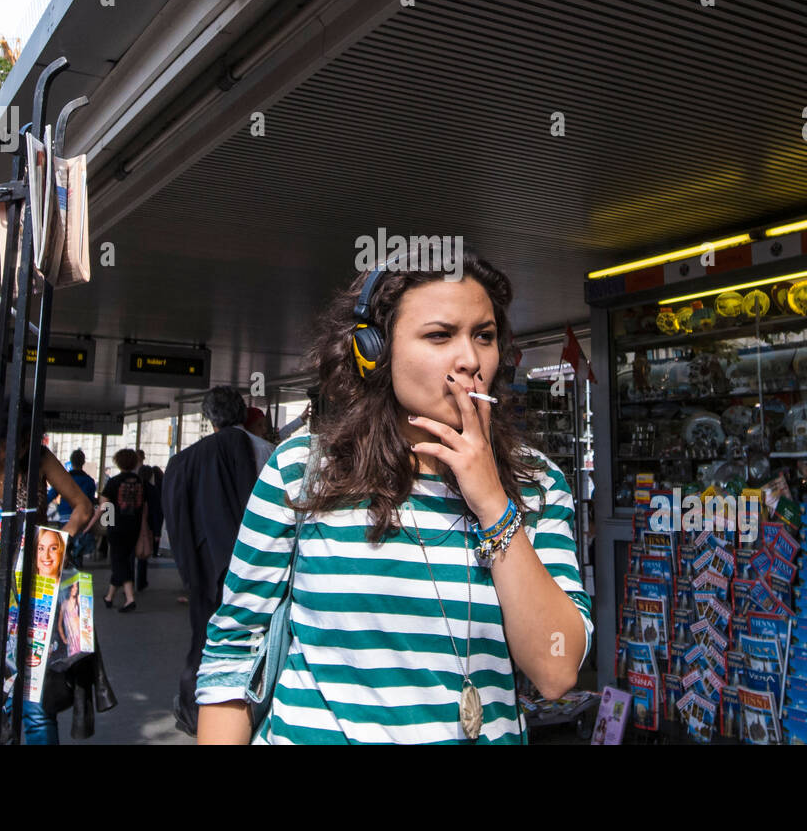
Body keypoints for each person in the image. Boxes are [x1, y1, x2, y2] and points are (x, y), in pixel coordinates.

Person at [195, 249, 593, 744]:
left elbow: (556, 671)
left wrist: (492, 502)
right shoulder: (305, 469)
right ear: (375, 351)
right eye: (439, 335)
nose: (469, 359)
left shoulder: (537, 483)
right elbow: (233, 651)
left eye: (484, 336)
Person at [0, 402, 92, 746]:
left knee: (36, 701)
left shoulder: (39, 460)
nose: (20, 449)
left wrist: (58, 544)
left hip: (33, 592)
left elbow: (83, 505)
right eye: (12, 442)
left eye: (26, 441)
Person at [163, 387, 260, 735]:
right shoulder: (249, 448)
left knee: (202, 639)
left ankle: (195, 710)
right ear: (243, 413)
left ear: (209, 418)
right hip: (243, 566)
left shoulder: (183, 461)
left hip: (202, 567)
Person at [99, 448, 145, 612]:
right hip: (134, 528)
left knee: (118, 561)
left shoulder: (114, 481)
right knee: (123, 559)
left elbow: (105, 506)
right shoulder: (140, 481)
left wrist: (104, 524)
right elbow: (144, 506)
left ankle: (130, 598)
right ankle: (109, 597)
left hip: (116, 528)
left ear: (118, 462)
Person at [135, 449, 163, 590]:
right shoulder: (153, 490)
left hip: (133, 525)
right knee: (143, 554)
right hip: (149, 526)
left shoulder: (134, 488)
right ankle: (141, 581)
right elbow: (157, 511)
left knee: (130, 553)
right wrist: (157, 532)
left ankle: (128, 580)